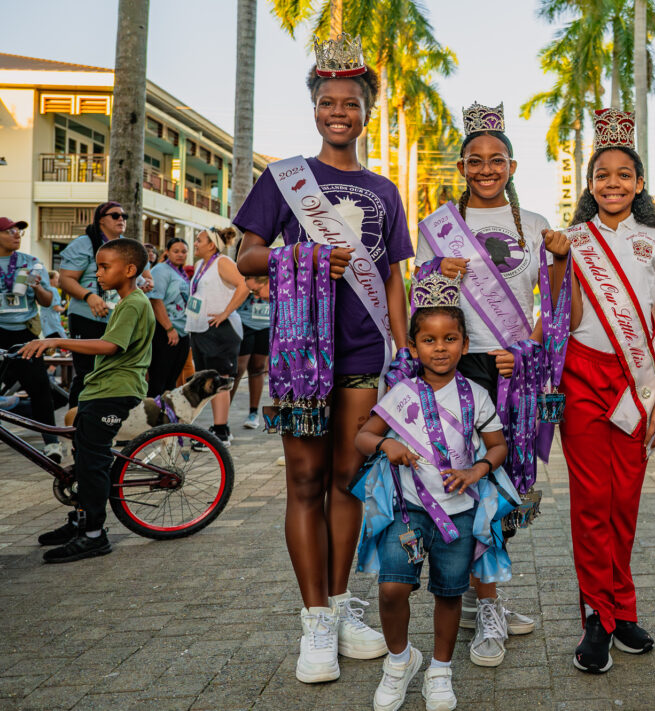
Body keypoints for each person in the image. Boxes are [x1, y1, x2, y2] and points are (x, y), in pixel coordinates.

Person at [234, 35, 409, 684]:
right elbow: (246, 256)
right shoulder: (285, 177)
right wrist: (299, 256)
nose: (340, 112)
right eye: (329, 101)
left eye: (352, 103)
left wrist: (403, 343)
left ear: (367, 111)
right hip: (301, 356)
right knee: (304, 482)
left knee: (347, 480)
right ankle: (313, 620)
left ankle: (340, 606)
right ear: (315, 108)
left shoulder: (383, 190)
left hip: (363, 352)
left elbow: (392, 275)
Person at [543, 108, 655, 674]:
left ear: (639, 183)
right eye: (603, 175)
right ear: (590, 184)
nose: (614, 183)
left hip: (637, 381)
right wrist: (557, 262)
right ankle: (598, 617)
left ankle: (621, 608)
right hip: (582, 374)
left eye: (624, 174)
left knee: (625, 498)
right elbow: (564, 316)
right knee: (591, 500)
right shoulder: (573, 240)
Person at [413, 101, 543, 668]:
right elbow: (424, 305)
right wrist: (434, 275)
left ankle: (479, 595)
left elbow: (554, 307)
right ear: (462, 167)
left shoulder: (534, 226)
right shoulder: (438, 227)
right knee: (472, 490)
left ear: (511, 166)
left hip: (512, 370)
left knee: (508, 483)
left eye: (497, 160)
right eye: (475, 161)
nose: (486, 169)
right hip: (458, 370)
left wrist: (527, 351)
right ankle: (484, 603)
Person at [354, 279, 510, 711]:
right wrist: (387, 445)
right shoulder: (401, 393)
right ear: (413, 345)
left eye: (450, 339)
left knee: (449, 592)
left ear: (464, 344)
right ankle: (400, 660)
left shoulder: (477, 396)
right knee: (391, 589)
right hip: (408, 511)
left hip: (459, 514)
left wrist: (476, 469)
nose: (439, 348)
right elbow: (364, 437)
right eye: (429, 340)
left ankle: (440, 670)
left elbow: (498, 447)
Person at [22, 238, 153, 563]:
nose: (97, 273)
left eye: (105, 267)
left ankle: (94, 535)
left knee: (92, 463)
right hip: (101, 389)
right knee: (83, 457)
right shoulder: (125, 302)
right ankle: (80, 520)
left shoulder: (134, 302)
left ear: (130, 269)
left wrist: (59, 340)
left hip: (114, 391)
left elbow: (110, 346)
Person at [0, 217, 62, 461]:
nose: (17, 235)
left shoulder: (31, 263)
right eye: (11, 231)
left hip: (25, 334)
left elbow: (47, 301)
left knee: (40, 388)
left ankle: (52, 443)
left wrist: (37, 288)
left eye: (19, 232)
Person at [58, 201, 126, 406]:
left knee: (116, 374)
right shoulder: (84, 243)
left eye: (124, 216)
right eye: (115, 216)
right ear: (100, 220)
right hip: (87, 316)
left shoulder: (125, 245)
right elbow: (66, 279)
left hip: (117, 319)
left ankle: (107, 426)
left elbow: (138, 276)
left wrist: (145, 282)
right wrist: (89, 296)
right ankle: (75, 428)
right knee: (87, 374)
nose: (121, 219)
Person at [186, 227, 248, 446]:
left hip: (219, 329)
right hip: (202, 328)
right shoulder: (202, 265)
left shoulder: (222, 262)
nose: (195, 243)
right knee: (208, 379)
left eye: (199, 240)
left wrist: (225, 312)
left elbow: (244, 285)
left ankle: (221, 431)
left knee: (219, 378)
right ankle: (219, 428)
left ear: (211, 245)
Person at [146, 238, 191, 397]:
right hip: (165, 331)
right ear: (167, 252)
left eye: (184, 251)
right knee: (158, 381)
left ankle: (168, 418)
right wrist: (169, 328)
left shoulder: (181, 272)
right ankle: (155, 419)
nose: (180, 255)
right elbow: (155, 300)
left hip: (182, 332)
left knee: (171, 382)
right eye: (176, 251)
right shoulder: (161, 270)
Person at [233, 275, 269, 430]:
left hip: (266, 323)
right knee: (238, 369)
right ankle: (221, 416)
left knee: (258, 367)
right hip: (244, 322)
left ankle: (253, 413)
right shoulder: (248, 266)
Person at [40, 271, 67, 340]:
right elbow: (56, 308)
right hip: (53, 323)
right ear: (50, 279)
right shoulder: (53, 290)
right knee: (64, 342)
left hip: (45, 323)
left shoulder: (43, 290)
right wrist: (65, 308)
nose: (58, 280)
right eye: (56, 278)